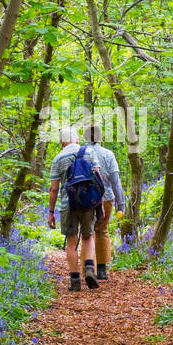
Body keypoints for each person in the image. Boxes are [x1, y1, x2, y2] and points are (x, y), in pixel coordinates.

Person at [47, 128, 104, 291]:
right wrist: (99, 203)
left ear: (62, 143)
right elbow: (98, 179)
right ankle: (88, 268)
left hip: (68, 205)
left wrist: (51, 212)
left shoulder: (58, 158)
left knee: (71, 241)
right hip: (88, 203)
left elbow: (53, 188)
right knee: (88, 237)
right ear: (77, 140)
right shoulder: (89, 152)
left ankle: (75, 281)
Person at [84, 122, 126, 282]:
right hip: (106, 197)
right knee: (102, 230)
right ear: (100, 136)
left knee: (88, 233)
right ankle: (102, 270)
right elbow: (115, 181)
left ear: (85, 136)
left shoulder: (81, 153)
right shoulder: (108, 154)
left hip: (85, 198)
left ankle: (89, 268)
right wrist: (121, 204)